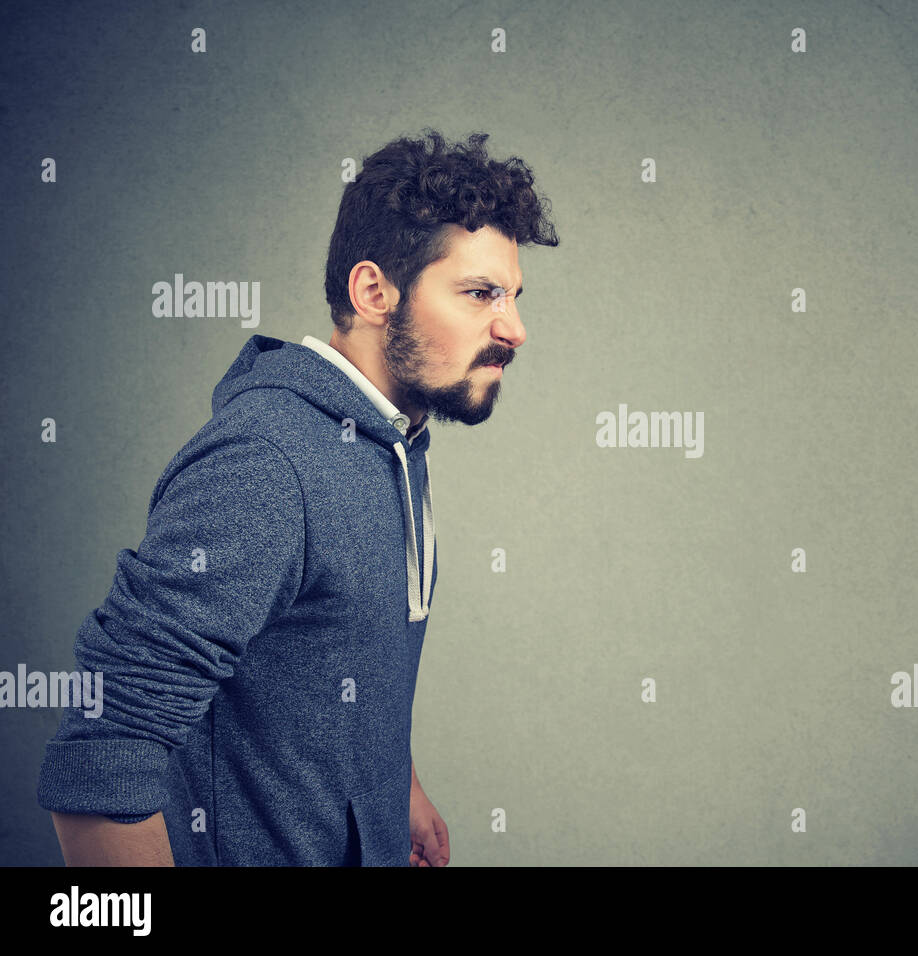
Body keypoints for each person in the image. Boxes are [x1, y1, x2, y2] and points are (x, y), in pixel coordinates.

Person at [35, 129, 559, 865]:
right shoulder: (266, 462)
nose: (515, 328)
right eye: (479, 294)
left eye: (512, 296)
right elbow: (105, 744)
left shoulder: (393, 440)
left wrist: (390, 793)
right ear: (374, 292)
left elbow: (340, 652)